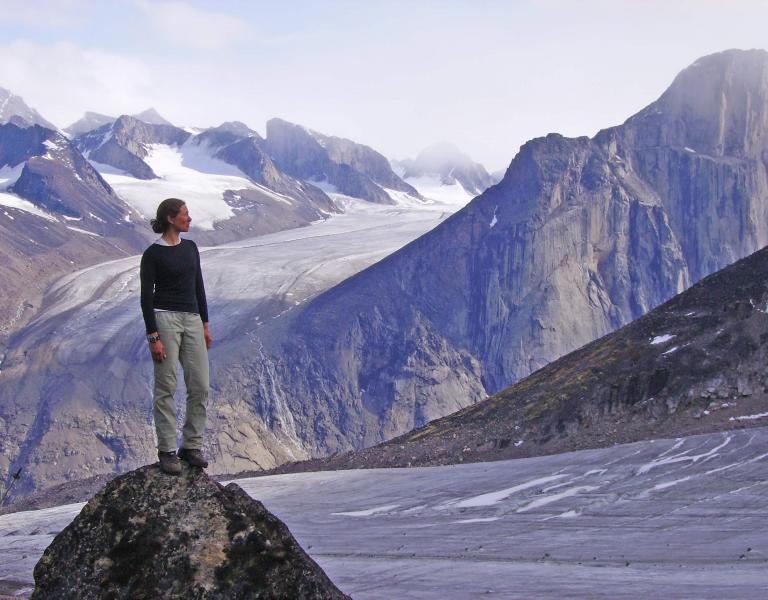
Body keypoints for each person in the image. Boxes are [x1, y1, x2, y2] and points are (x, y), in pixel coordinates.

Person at [139, 198, 213, 475]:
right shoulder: (153, 255)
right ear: (171, 218)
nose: (189, 218)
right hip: (164, 318)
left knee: (200, 384)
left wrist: (204, 323)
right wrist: (153, 336)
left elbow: (199, 287)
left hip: (192, 318)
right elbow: (146, 298)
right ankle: (167, 450)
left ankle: (191, 445)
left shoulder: (191, 248)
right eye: (184, 214)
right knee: (166, 385)